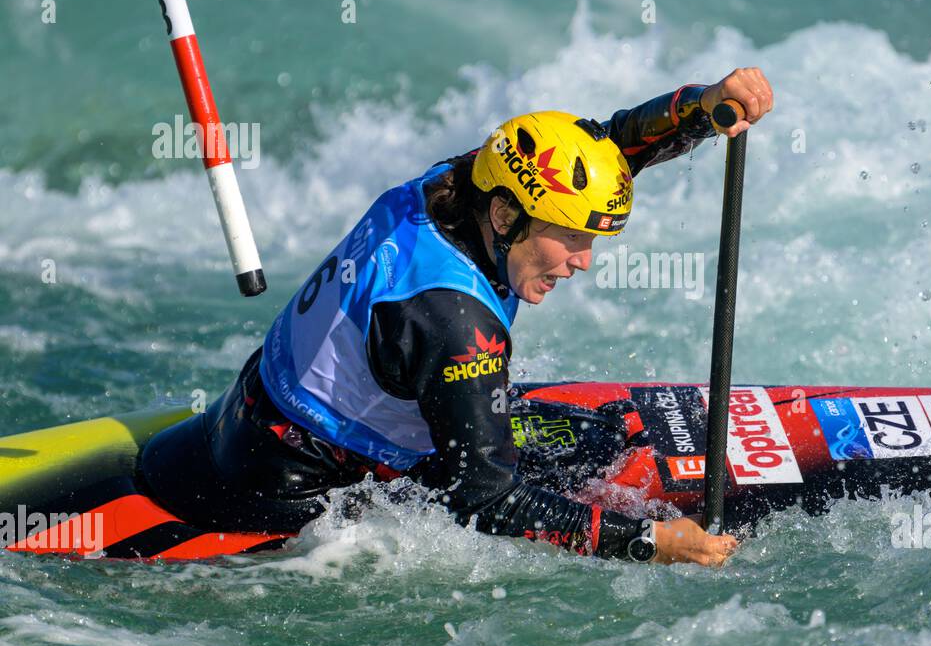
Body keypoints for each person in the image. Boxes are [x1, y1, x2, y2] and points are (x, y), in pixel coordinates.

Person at [139, 67, 774, 565]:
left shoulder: (461, 181)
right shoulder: (455, 321)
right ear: (505, 217)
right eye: (571, 239)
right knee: (593, 462)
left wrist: (703, 106)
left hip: (244, 418)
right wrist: (647, 542)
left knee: (593, 439)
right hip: (292, 495)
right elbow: (486, 500)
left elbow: (612, 149)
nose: (582, 262)